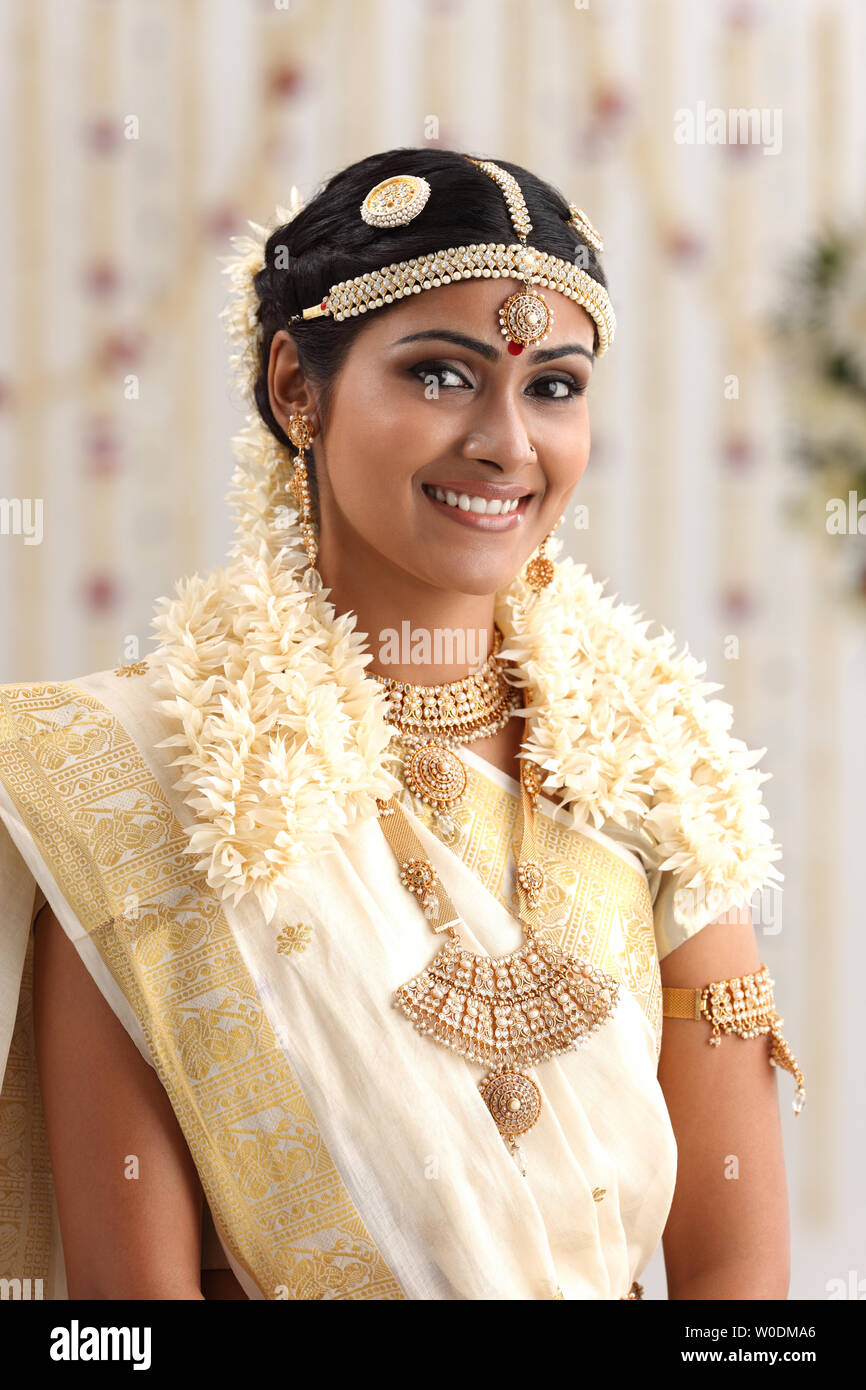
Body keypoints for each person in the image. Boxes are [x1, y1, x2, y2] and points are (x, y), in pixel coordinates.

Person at [0, 147, 804, 1301]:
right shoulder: (146, 780)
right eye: (439, 374)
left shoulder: (650, 767)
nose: (505, 443)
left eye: (554, 386)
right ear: (295, 388)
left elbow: (737, 1285)